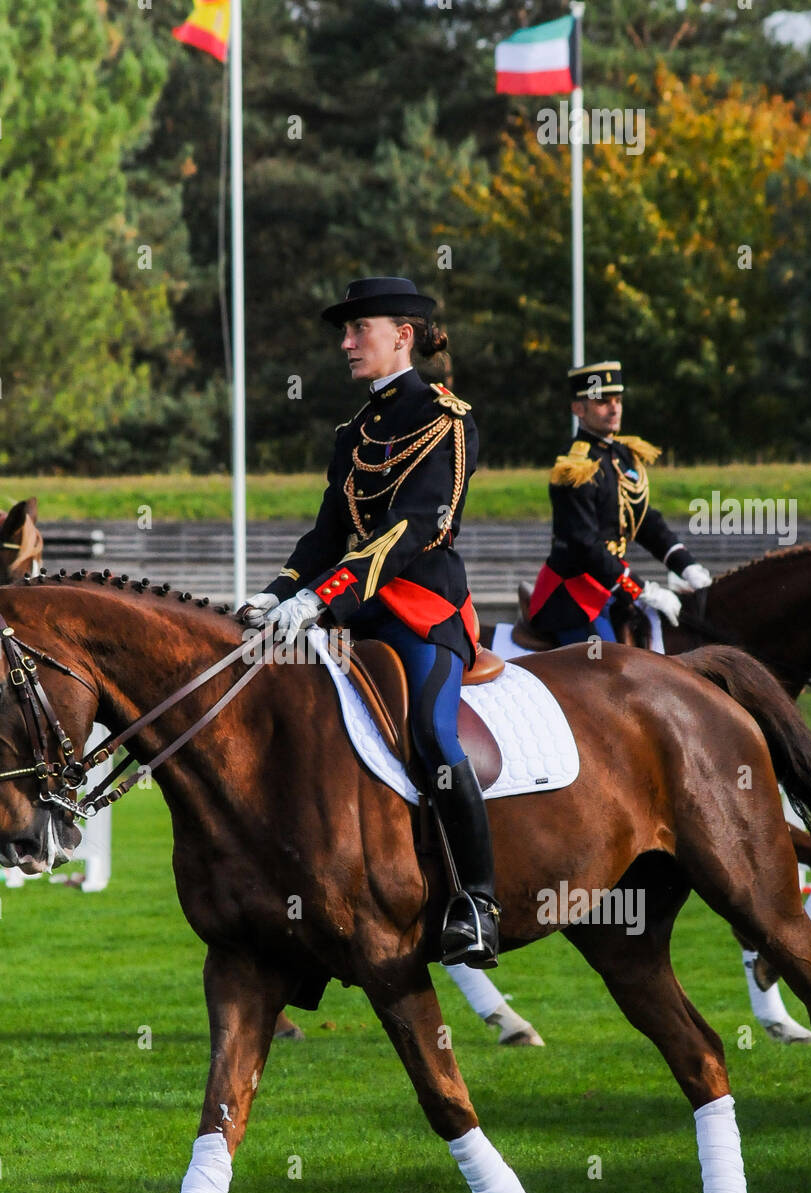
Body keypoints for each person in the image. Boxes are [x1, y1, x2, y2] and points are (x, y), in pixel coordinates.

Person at [240, 277, 500, 969]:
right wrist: (277, 593)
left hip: (420, 612)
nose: (346, 343)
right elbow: (328, 532)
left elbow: (411, 530)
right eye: (344, 332)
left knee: (431, 739)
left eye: (360, 330)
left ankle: (477, 902)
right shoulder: (355, 431)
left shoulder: (447, 421)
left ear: (403, 336)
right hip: (349, 618)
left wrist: (322, 599)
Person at [526, 360, 711, 646]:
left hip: (612, 586)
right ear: (578, 409)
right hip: (576, 596)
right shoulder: (574, 465)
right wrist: (639, 589)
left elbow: (643, 520)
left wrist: (684, 564)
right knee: (607, 671)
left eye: (618, 400)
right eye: (602, 401)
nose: (613, 408)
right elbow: (584, 545)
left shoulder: (623, 456)